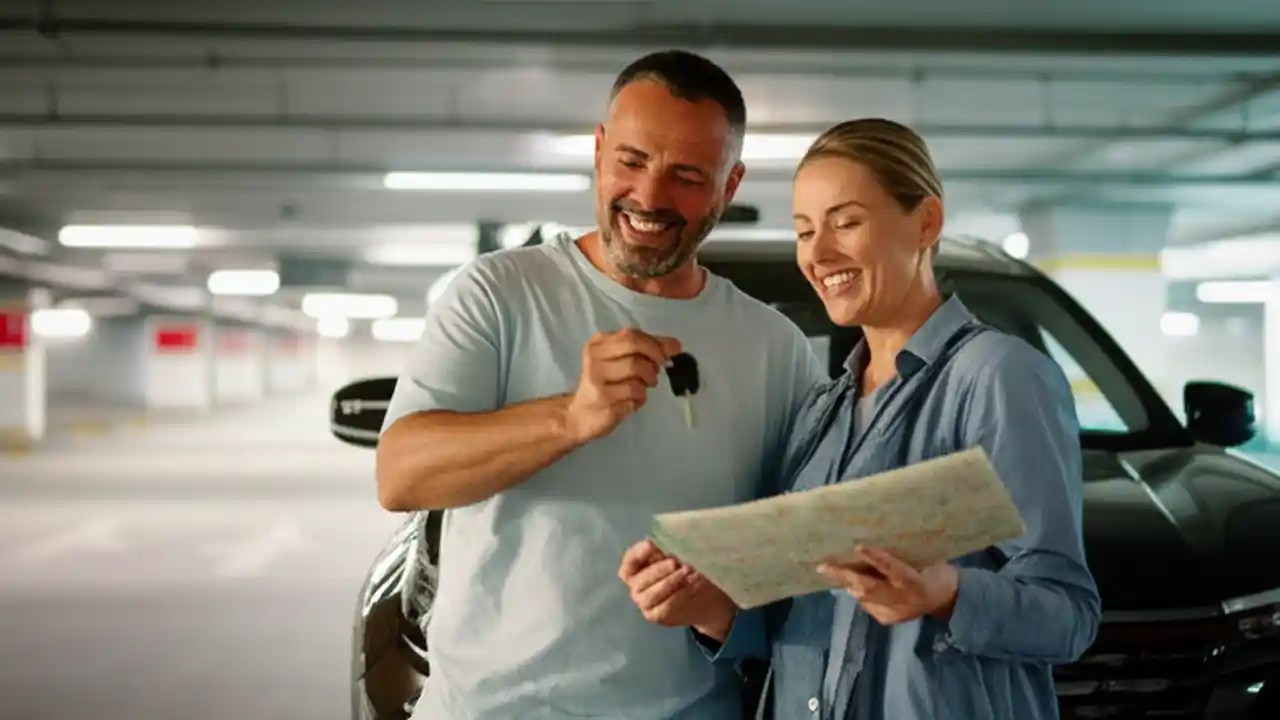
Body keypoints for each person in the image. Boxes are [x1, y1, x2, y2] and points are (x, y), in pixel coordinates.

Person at [375, 49, 826, 719]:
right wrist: (570, 417)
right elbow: (401, 475)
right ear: (599, 149)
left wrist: (723, 609)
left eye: (686, 176)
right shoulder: (498, 294)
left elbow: (805, 561)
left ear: (730, 185)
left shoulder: (776, 350)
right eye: (633, 161)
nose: (650, 197)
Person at [619, 118, 1101, 720]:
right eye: (804, 231)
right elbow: (799, 620)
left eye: (846, 223)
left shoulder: (995, 376)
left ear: (926, 221)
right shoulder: (823, 411)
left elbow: (1069, 615)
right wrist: (709, 607)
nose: (819, 254)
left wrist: (946, 594)